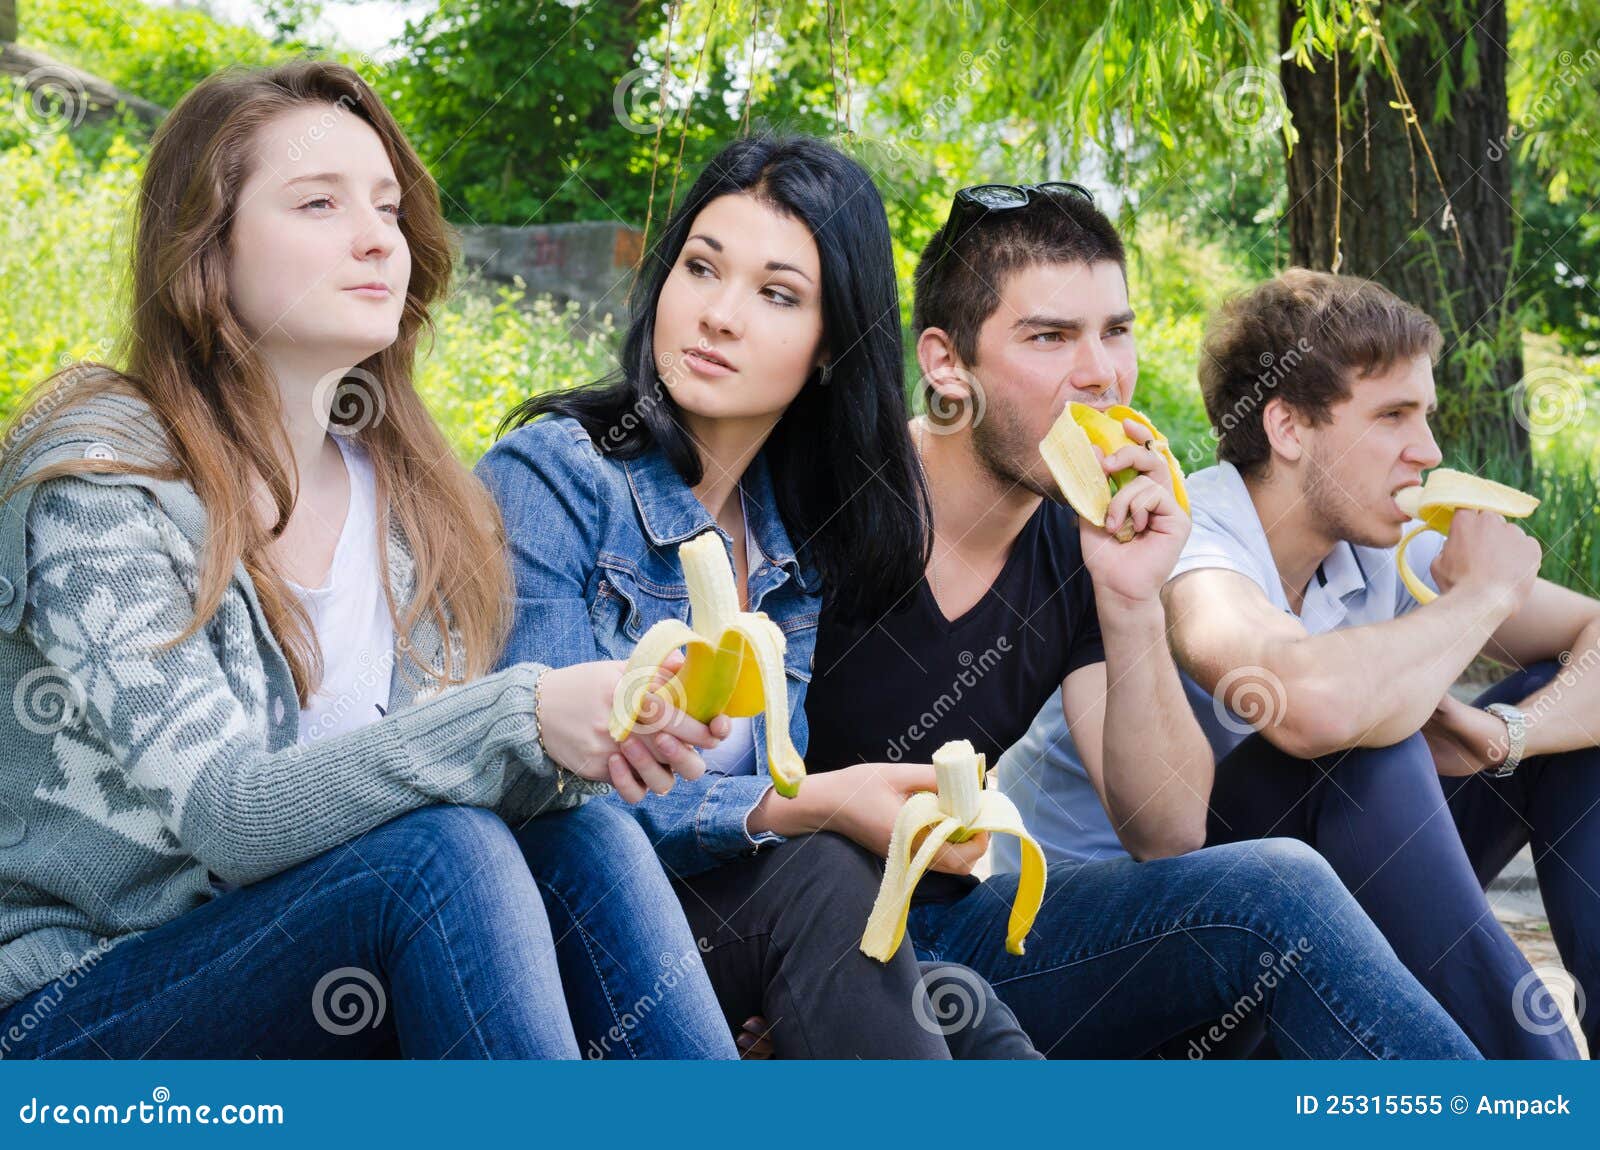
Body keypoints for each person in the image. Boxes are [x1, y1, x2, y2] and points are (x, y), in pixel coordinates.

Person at [482, 142, 1478, 1058]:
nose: (1099, 376)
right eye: (1050, 337)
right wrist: (814, 825)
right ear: (943, 366)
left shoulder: (1057, 540)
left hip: (931, 917)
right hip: (753, 915)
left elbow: (1167, 828)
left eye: (1116, 332)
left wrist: (1130, 600)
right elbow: (567, 781)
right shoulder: (820, 499)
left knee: (1273, 902)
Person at [0, 60, 733, 1060]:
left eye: (387, 206)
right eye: (318, 202)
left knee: (584, 838)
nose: (374, 236)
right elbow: (229, 814)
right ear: (206, 259)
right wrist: (523, 711)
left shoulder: (412, 503)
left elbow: (418, 779)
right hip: (76, 1013)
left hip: (306, 970)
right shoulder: (104, 481)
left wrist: (577, 746)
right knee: (439, 856)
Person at [1151, 269, 1591, 1058]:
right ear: (1287, 427)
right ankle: (1537, 1083)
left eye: (1424, 414)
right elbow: (1310, 706)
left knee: (1562, 719)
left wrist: (1508, 734)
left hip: (1320, 896)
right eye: (1393, 415)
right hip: (1165, 949)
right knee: (1360, 742)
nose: (1428, 451)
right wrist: (1482, 598)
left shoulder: (1374, 535)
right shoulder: (1190, 535)